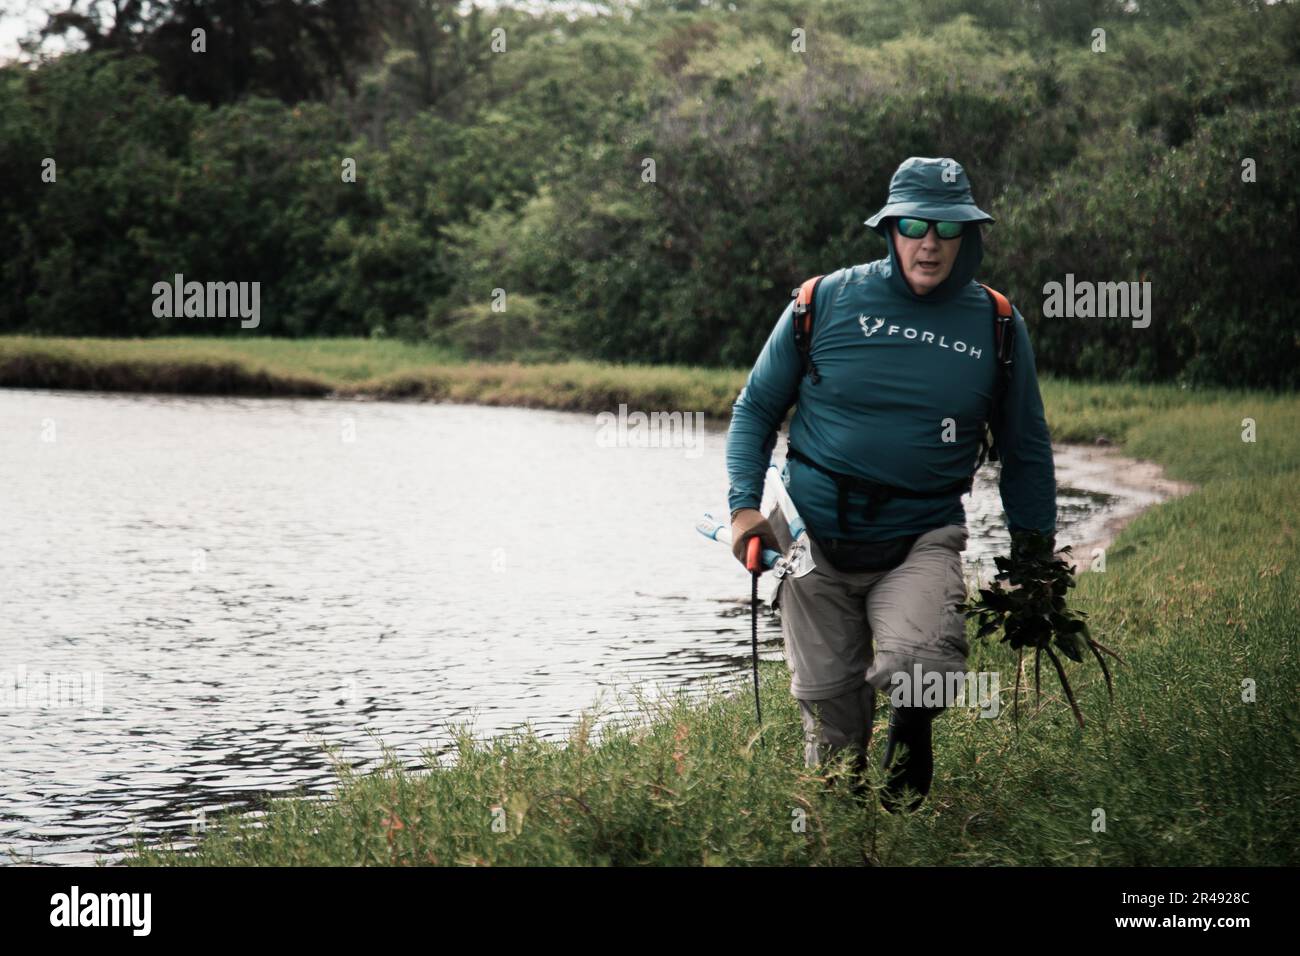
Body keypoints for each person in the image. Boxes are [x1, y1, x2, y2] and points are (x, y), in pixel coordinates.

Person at [724, 156, 1057, 812]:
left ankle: (912, 730)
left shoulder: (995, 323)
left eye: (946, 227)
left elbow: (1025, 450)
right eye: (913, 224)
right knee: (831, 725)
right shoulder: (822, 302)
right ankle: (849, 840)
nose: (928, 241)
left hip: (920, 533)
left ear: (968, 235)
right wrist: (742, 510)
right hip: (808, 536)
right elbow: (755, 410)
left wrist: (1034, 554)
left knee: (925, 664)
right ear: (889, 228)